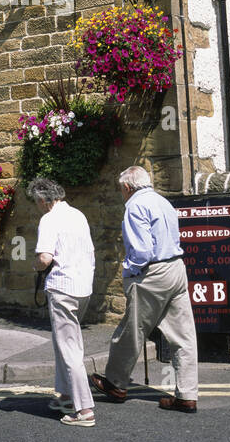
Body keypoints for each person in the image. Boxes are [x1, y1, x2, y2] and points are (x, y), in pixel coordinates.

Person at [91, 166, 200, 413]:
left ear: (128, 187)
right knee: (184, 337)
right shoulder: (164, 202)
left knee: (131, 331)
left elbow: (141, 251)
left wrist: (129, 270)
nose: (122, 194)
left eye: (121, 190)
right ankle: (187, 395)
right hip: (176, 269)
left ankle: (116, 384)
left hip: (153, 272)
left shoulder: (134, 205)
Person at [29, 177, 97, 427]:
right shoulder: (78, 215)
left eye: (37, 202)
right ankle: (67, 397)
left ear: (44, 200)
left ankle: (85, 410)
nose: (37, 206)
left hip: (62, 289)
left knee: (69, 350)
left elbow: (45, 257)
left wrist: (35, 265)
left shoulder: (49, 219)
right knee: (64, 344)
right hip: (83, 289)